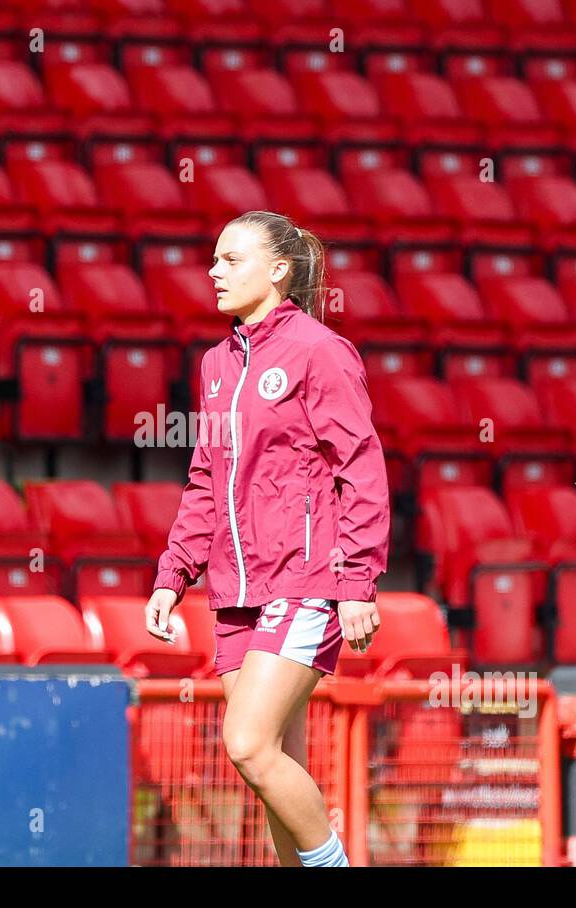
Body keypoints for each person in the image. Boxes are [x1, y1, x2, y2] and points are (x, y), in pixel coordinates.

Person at [144, 210, 392, 867]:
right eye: (214, 259)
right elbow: (205, 480)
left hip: (306, 579)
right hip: (234, 591)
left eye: (231, 260)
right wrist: (174, 575)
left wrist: (357, 582)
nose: (213, 271)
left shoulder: (318, 350)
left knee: (248, 745)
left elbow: (361, 469)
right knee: (273, 769)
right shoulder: (215, 364)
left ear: (278, 270)